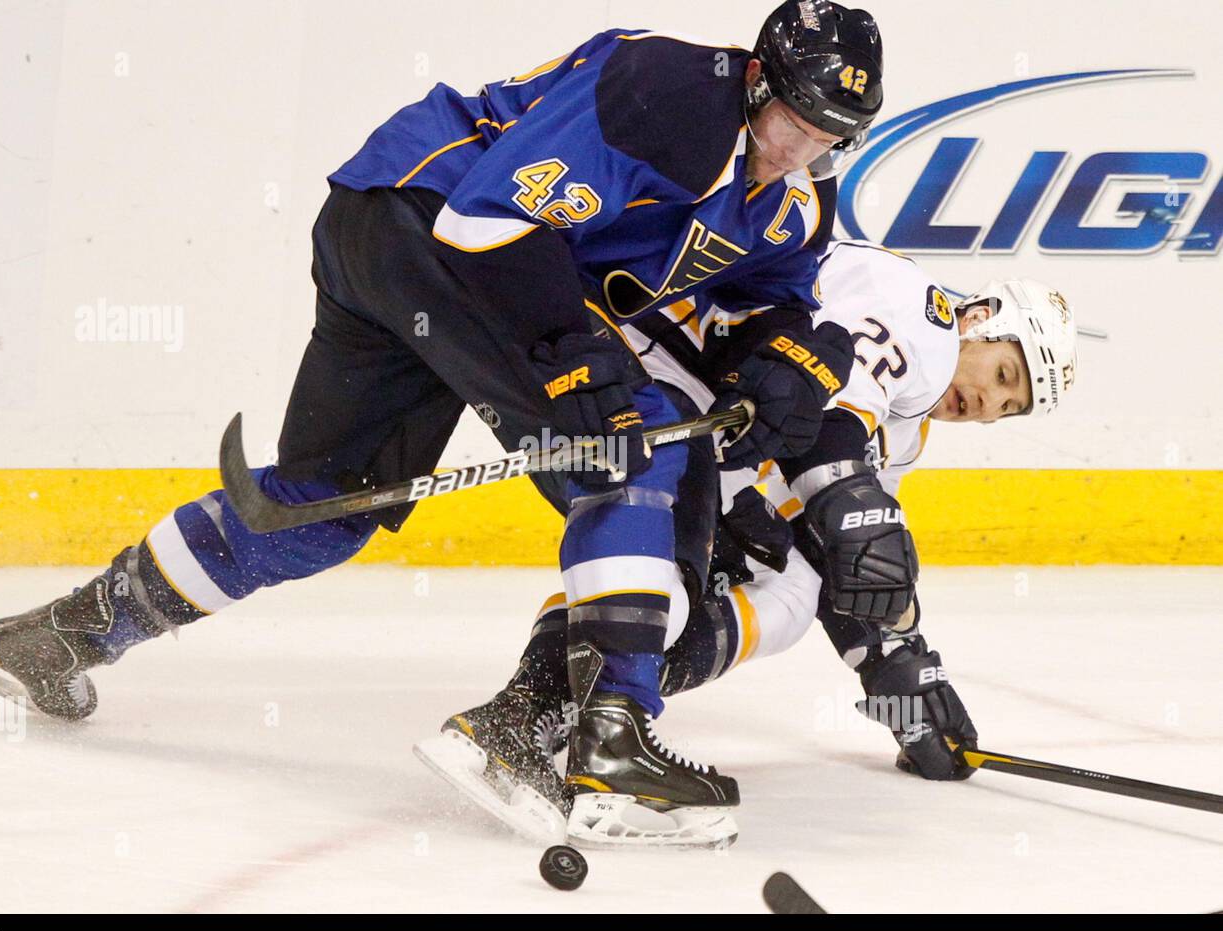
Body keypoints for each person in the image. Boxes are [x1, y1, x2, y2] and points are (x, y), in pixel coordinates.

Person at [0, 5, 884, 847]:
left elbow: (773, 295)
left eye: (827, 137)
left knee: (324, 503)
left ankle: (64, 633)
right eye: (793, 122)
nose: (798, 149)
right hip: (429, 229)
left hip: (378, 220)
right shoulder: (672, 92)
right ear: (758, 78)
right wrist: (577, 358)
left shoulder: (796, 196)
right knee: (632, 449)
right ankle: (602, 742)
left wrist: (784, 363)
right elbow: (485, 221)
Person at [418, 239, 1079, 845]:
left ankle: (579, 713)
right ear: (979, 317)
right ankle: (517, 721)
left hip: (705, 415)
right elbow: (830, 424)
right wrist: (815, 510)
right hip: (651, 370)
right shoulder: (921, 313)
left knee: (791, 589)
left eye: (1010, 407)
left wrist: (898, 677)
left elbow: (843, 553)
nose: (990, 403)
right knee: (669, 583)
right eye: (1003, 374)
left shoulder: (907, 431)